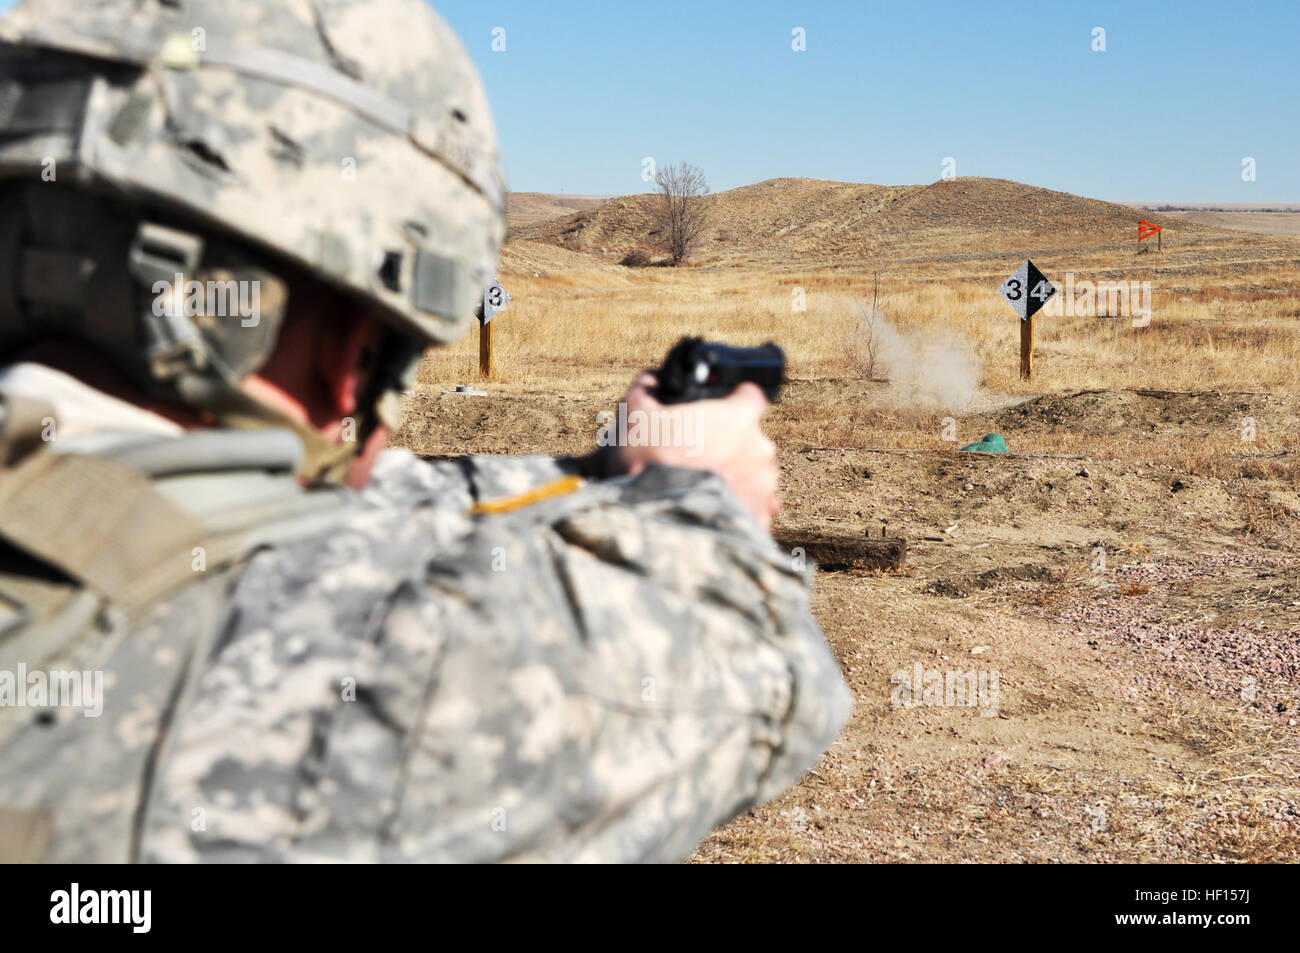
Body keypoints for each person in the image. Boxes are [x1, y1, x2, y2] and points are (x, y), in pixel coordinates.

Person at [0, 0, 849, 863]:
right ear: (353, 354)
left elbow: (321, 512)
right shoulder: (371, 679)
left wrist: (608, 472)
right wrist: (703, 503)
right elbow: (762, 675)